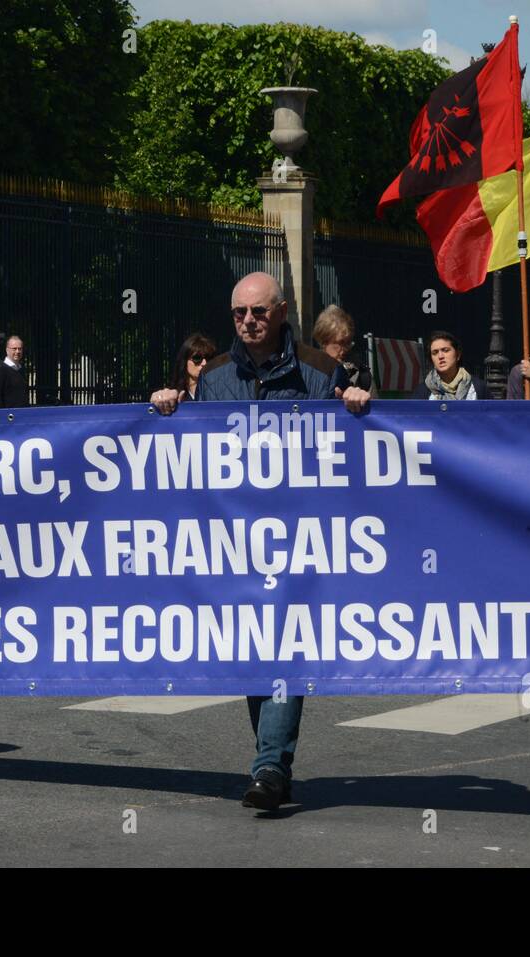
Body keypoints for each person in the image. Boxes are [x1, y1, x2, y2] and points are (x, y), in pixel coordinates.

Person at [149, 272, 370, 812]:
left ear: (283, 312)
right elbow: (187, 455)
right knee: (255, 648)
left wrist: (362, 402)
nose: (248, 321)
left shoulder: (320, 373)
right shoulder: (216, 378)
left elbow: (358, 442)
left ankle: (270, 764)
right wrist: (166, 406)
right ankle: (271, 759)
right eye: (239, 314)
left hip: (302, 542)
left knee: (284, 643)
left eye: (259, 312)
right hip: (236, 542)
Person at [412, 331, 490, 399]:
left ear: (458, 355)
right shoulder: (422, 391)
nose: (440, 356)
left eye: (445, 350)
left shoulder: (478, 388)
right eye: (435, 353)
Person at [313, 305, 373, 391]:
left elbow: (375, 404)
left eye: (348, 343)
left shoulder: (362, 376)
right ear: (324, 342)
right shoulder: (309, 374)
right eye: (340, 343)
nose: (345, 349)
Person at [168, 332, 216, 400]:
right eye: (197, 358)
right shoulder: (172, 395)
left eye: (209, 358)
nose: (204, 363)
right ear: (185, 361)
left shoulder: (218, 393)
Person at [0, 335, 29, 408]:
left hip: (23, 414)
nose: (17, 351)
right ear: (7, 350)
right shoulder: (0, 370)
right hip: (9, 416)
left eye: (20, 349)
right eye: (14, 349)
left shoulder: (21, 370)